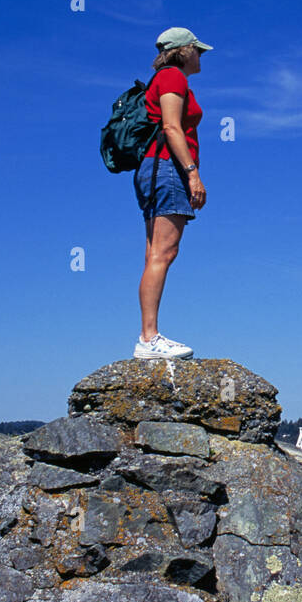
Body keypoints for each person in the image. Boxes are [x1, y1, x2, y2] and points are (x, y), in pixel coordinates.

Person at [132, 27, 211, 360]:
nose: (201, 56)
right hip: (166, 169)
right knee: (163, 254)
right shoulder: (173, 78)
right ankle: (149, 338)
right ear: (183, 51)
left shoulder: (166, 78)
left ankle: (148, 336)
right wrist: (193, 173)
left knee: (156, 255)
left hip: (154, 170)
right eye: (197, 50)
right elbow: (171, 127)